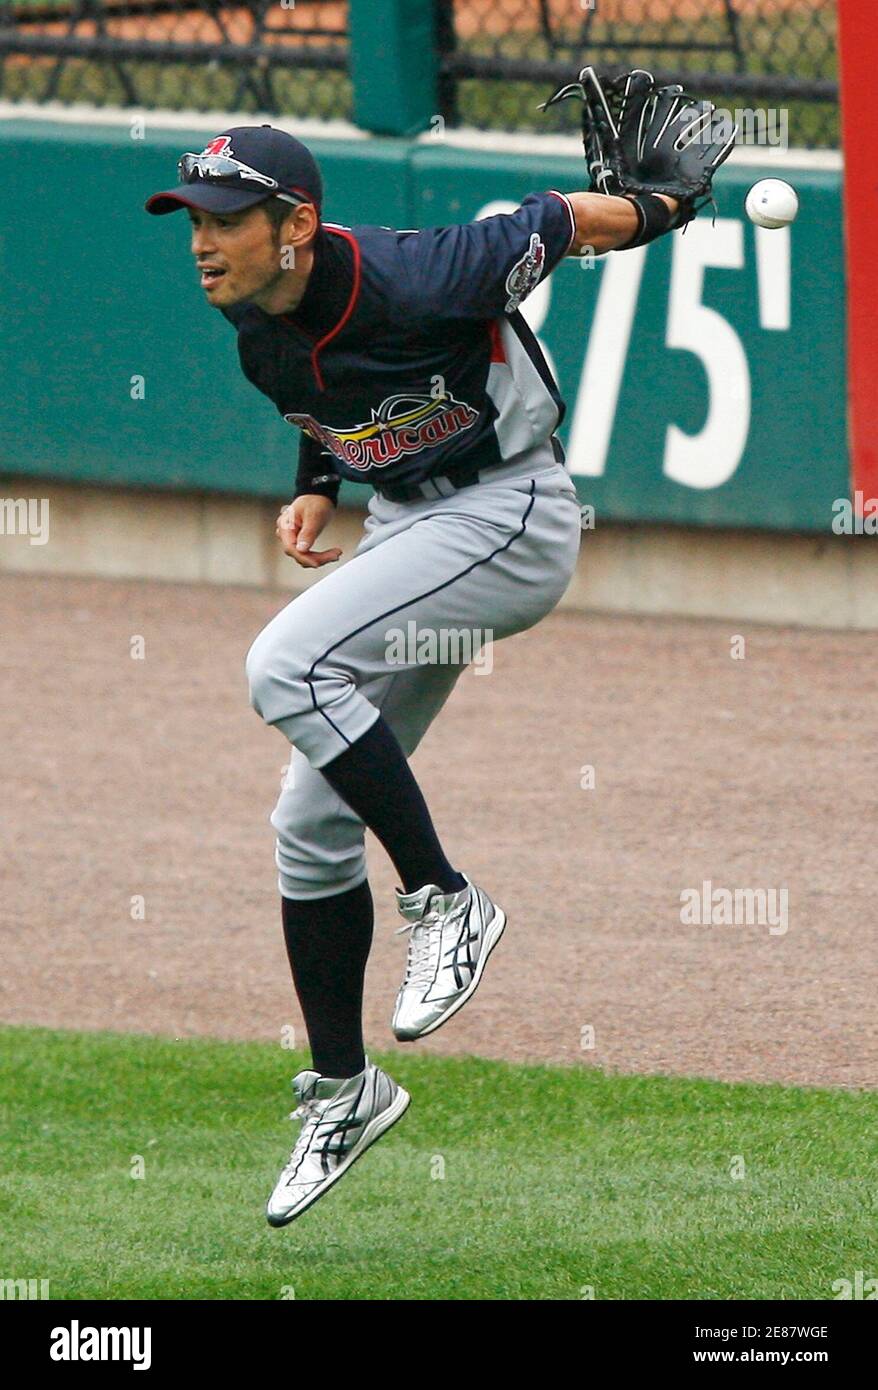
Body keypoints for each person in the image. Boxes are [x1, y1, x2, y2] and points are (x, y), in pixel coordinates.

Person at [145, 123, 678, 1227]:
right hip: (406, 524)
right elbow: (329, 397)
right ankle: (345, 1090)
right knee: (305, 822)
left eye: (226, 219)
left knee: (285, 663)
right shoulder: (255, 324)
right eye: (193, 218)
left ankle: (445, 896)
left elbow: (559, 220)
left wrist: (665, 207)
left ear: (295, 225)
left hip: (513, 513)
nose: (203, 241)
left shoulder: (419, 269)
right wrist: (320, 488)